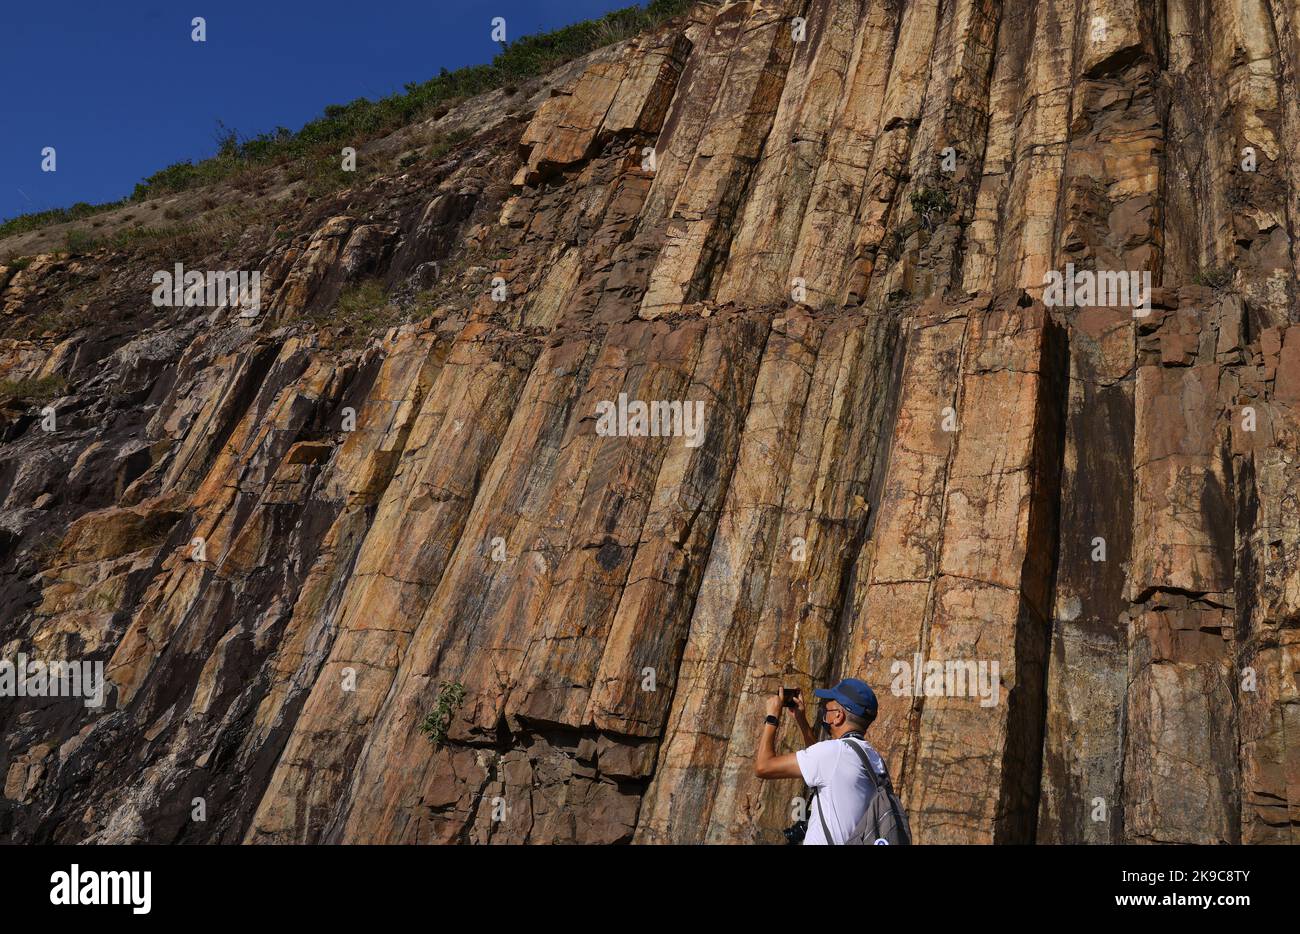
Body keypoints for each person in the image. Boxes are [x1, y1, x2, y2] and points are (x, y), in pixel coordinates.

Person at [754, 677, 887, 845]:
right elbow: (824, 768)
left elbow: (763, 767)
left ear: (838, 716)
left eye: (828, 709)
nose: (825, 713)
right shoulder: (872, 757)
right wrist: (801, 720)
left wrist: (772, 717)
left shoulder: (834, 753)